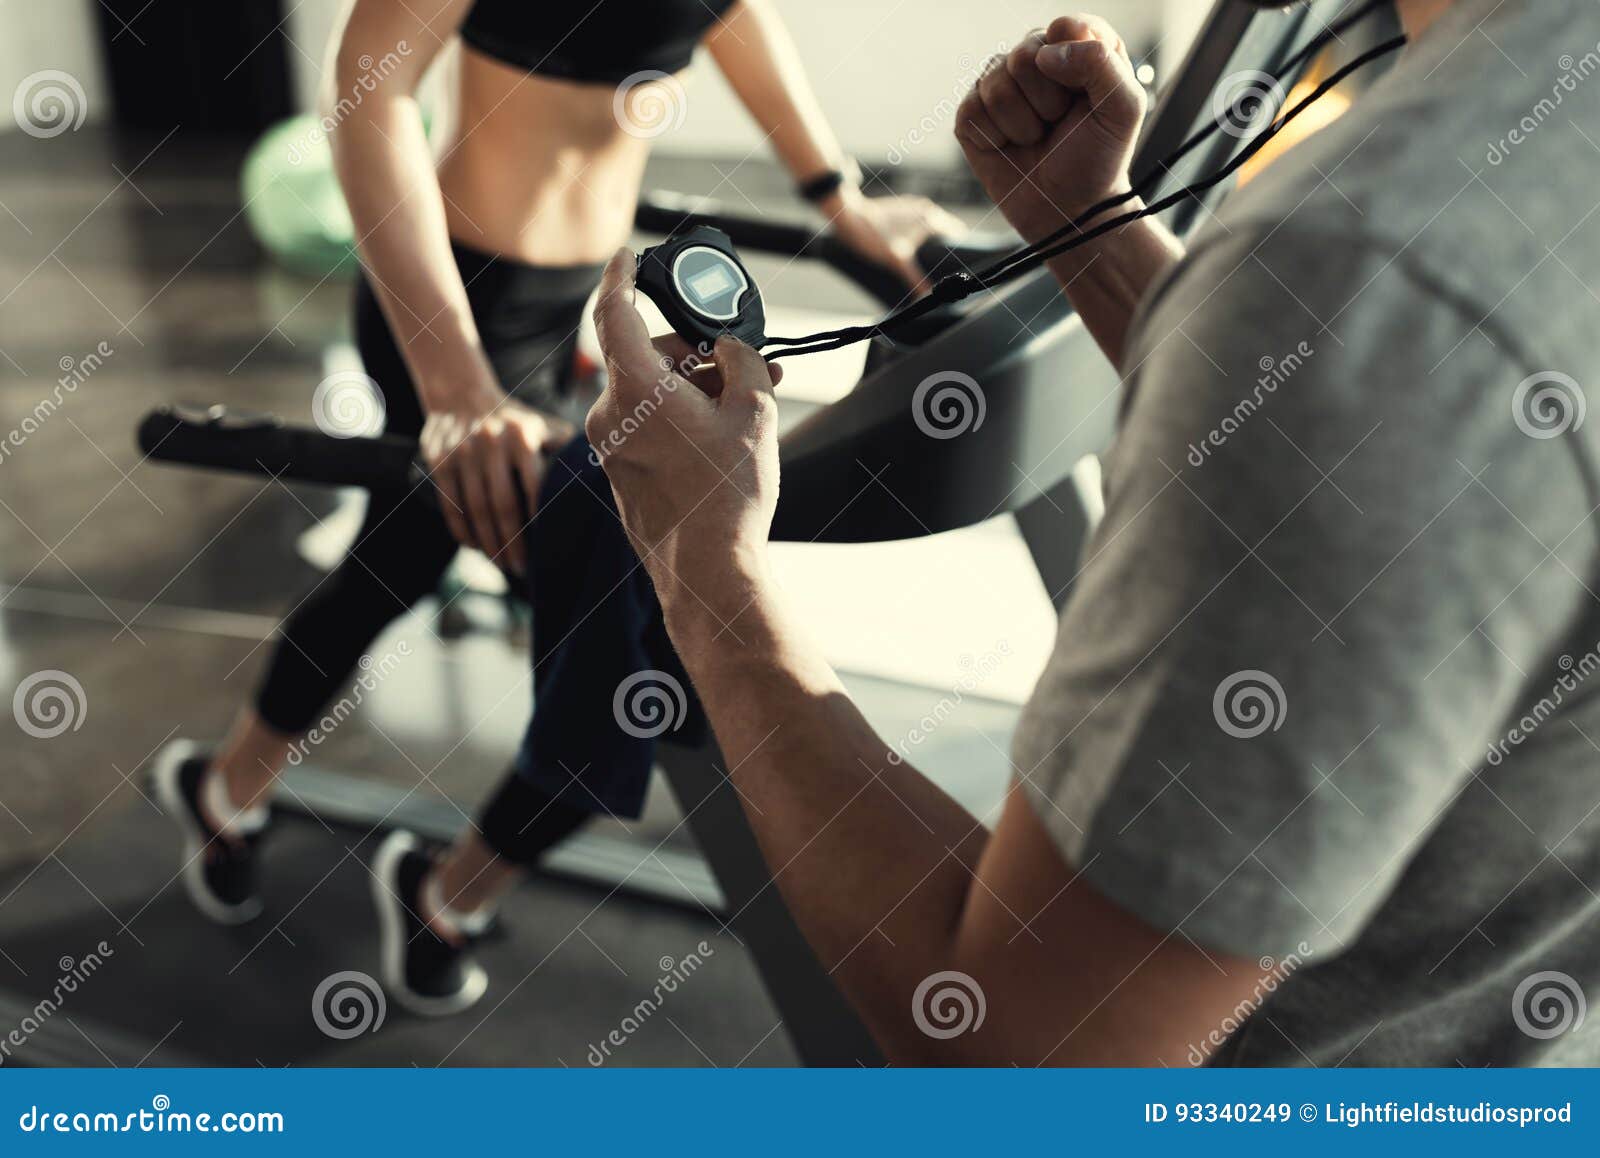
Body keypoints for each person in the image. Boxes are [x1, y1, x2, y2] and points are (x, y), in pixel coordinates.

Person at [583, 0, 1600, 1065]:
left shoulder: (1369, 264)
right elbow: (1387, 460)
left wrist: (699, 558)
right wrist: (1095, 230)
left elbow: (1013, 1053)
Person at [152, 0, 959, 1015]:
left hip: (576, 296)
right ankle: (412, 881)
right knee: (607, 621)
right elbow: (369, 89)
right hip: (453, 301)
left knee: (426, 568)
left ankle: (260, 806)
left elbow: (734, 18)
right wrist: (452, 385)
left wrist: (837, 199)